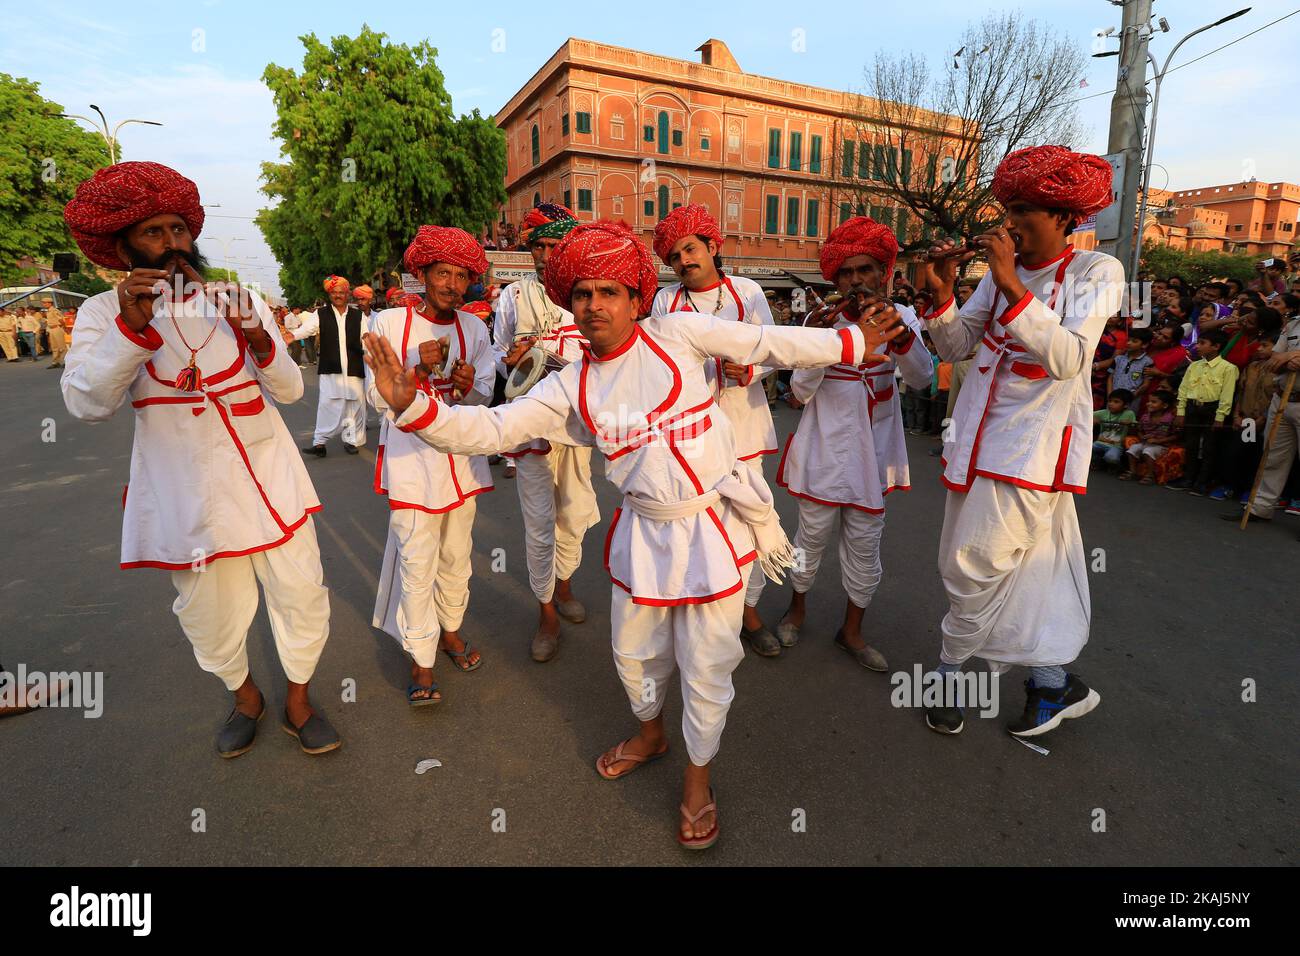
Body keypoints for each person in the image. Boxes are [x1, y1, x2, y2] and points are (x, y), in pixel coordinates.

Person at [363, 220, 905, 849]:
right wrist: (415, 408)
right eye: (584, 292)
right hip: (642, 541)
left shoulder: (677, 333)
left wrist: (849, 343)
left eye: (609, 291)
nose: (594, 304)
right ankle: (651, 734)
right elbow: (493, 429)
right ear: (570, 299)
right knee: (632, 659)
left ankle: (697, 778)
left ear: (636, 298)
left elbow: (765, 342)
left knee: (708, 666)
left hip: (712, 530)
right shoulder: (570, 383)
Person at [60, 160, 338, 757]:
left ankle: (298, 701)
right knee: (208, 615)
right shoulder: (101, 315)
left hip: (270, 483)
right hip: (185, 495)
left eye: (179, 230)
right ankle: (245, 698)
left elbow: (290, 391)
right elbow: (86, 403)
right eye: (153, 233)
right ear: (123, 245)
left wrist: (259, 338)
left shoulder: (236, 300)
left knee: (303, 594)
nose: (171, 245)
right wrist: (131, 330)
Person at [919, 144, 1122, 738]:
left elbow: (1069, 359)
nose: (1009, 223)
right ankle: (1053, 686)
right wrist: (942, 294)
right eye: (1007, 207)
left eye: (1025, 209)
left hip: (1031, 452)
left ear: (1064, 216)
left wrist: (1010, 284)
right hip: (977, 448)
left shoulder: (1097, 273)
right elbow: (956, 349)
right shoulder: (998, 278)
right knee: (1031, 570)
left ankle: (949, 676)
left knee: (972, 566)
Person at [775, 216, 933, 668]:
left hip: (874, 456)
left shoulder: (902, 318)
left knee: (866, 545)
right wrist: (831, 342)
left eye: (865, 269)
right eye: (845, 272)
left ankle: (852, 631)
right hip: (823, 451)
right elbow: (800, 393)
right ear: (834, 278)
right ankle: (797, 610)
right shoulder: (818, 321)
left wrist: (899, 337)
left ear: (883, 272)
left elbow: (921, 379)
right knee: (810, 538)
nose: (856, 281)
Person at [367, 226, 495, 703]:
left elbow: (484, 395)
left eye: (463, 276)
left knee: (456, 557)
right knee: (417, 563)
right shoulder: (388, 326)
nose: (453, 285)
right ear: (422, 274)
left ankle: (451, 629)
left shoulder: (476, 329)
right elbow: (376, 400)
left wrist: (467, 385)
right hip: (411, 464)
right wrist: (416, 372)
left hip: (459, 461)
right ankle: (422, 659)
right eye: (444, 273)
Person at [651, 204, 782, 656]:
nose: (684, 260)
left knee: (752, 518)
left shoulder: (747, 292)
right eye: (673, 256)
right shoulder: (665, 301)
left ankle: (748, 612)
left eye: (690, 248)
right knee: (695, 523)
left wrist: (752, 370)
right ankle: (702, 609)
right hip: (690, 436)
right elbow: (656, 363)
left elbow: (774, 349)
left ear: (712, 246)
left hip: (745, 427)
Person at [491, 202, 600, 661]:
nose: (546, 253)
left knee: (574, 514)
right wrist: (510, 360)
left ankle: (566, 586)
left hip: (577, 426)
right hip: (532, 427)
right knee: (539, 525)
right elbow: (496, 354)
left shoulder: (587, 293)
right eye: (539, 245)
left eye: (556, 244)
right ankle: (546, 615)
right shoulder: (513, 297)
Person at [1227, 298, 1300, 527]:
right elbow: (1273, 357)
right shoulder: (1294, 324)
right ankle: (1259, 508)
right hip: (1283, 397)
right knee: (1271, 456)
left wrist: (1290, 355)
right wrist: (1287, 358)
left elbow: (1284, 355)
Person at [291, 276, 368, 456]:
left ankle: (351, 441)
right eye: (334, 293)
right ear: (329, 294)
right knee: (327, 404)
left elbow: (366, 336)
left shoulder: (358, 315)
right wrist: (292, 336)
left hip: (354, 368)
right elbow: (307, 329)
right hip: (330, 367)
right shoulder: (321, 314)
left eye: (341, 292)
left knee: (353, 406)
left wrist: (372, 346)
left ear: (348, 294)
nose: (338, 295)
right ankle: (319, 443)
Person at [1169, 329, 1237, 495]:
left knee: (1209, 447)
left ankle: (1202, 482)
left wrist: (1220, 417)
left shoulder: (1228, 368)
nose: (1197, 346)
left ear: (1216, 346)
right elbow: (1183, 389)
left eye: (1202, 343)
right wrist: (1180, 412)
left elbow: (1227, 395)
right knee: (1190, 445)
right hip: (1193, 407)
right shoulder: (1194, 365)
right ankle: (1188, 478)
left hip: (1212, 409)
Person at [1121, 388, 1179, 484]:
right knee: (1133, 449)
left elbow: (1176, 436)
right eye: (1149, 401)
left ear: (1164, 405)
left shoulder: (1170, 419)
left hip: (1162, 445)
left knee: (1148, 451)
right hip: (1147, 442)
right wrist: (1141, 436)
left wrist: (1158, 441)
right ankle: (1133, 472)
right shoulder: (1145, 417)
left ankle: (1150, 475)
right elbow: (1140, 430)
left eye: (1153, 402)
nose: (1149, 404)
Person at [1109, 328, 1153, 408]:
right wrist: (1110, 396)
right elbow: (1110, 378)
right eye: (1128, 340)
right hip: (1113, 401)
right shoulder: (1118, 359)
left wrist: (1131, 397)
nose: (1129, 343)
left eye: (1134, 341)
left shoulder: (1148, 362)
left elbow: (1146, 383)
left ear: (1144, 345)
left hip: (1131, 402)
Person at [1092, 388, 1135, 471]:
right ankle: (1100, 462)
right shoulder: (1103, 412)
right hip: (1099, 442)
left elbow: (1135, 427)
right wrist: (1093, 420)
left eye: (1116, 402)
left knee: (1111, 458)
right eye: (1110, 401)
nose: (1111, 404)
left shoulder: (1129, 414)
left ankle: (1117, 466)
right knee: (1087, 450)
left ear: (1125, 405)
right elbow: (1087, 415)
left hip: (1116, 445)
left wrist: (1130, 424)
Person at [42, 298, 68, 369]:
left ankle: (66, 362)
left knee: (62, 346)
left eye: (45, 303)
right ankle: (55, 362)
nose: (43, 304)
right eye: (43, 303)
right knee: (54, 347)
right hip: (52, 329)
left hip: (57, 328)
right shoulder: (48, 311)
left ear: (50, 303)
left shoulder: (54, 310)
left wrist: (64, 328)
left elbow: (61, 320)